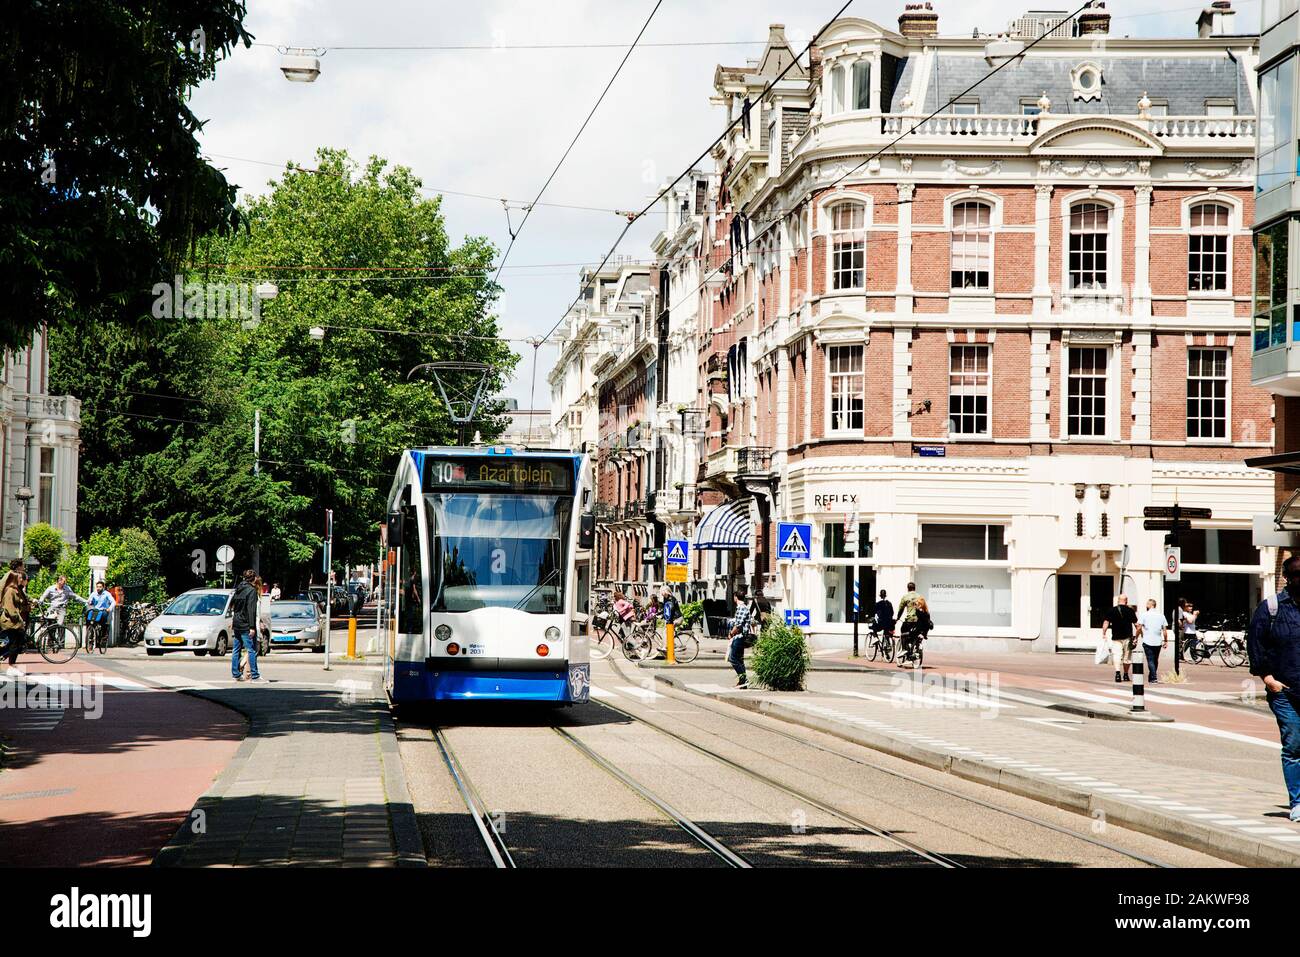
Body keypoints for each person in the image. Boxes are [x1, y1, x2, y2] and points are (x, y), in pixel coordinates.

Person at [1246, 554, 1300, 824]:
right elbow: (1256, 643)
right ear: (1288, 579)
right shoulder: (1271, 608)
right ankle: (1298, 802)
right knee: (1294, 745)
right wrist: (1268, 679)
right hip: (1286, 692)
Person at [231, 569, 261, 682]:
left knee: (236, 649)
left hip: (236, 622)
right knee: (251, 649)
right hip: (245, 624)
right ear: (253, 579)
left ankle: (236, 674)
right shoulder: (251, 590)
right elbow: (251, 610)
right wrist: (252, 627)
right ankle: (255, 675)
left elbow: (232, 605)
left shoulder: (238, 589)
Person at [1101, 594, 1139, 683]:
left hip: (1116, 636)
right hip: (1127, 636)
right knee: (1127, 656)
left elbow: (1106, 622)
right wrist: (1137, 636)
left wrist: (1104, 633)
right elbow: (1137, 625)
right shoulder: (1130, 610)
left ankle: (1117, 673)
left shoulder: (1112, 610)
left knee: (1117, 655)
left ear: (1118, 600)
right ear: (1126, 601)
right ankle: (1125, 674)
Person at [1, 570, 31, 676]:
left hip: (14, 622)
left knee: (15, 643)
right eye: (20, 578)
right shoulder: (10, 591)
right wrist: (19, 620)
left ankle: (12, 665)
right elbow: (10, 608)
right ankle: (11, 666)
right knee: (14, 643)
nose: (23, 580)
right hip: (11, 622)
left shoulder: (16, 590)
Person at [727, 585, 754, 689]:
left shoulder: (742, 608)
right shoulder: (743, 608)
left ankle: (744, 680)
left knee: (733, 658)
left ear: (735, 597)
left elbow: (738, 625)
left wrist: (731, 634)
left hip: (740, 637)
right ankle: (742, 682)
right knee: (739, 659)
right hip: (740, 636)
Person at [1137, 599, 1169, 683]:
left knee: (1150, 659)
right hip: (1158, 640)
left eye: (1147, 603)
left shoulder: (1144, 615)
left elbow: (1139, 627)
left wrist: (1136, 637)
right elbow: (1165, 630)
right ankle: (1152, 676)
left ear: (1150, 605)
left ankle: (1153, 677)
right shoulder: (1161, 616)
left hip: (1147, 640)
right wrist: (1165, 641)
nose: (1146, 605)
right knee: (1155, 659)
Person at [86, 580, 117, 649]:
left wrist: (109, 608)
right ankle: (90, 636)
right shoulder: (93, 594)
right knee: (89, 618)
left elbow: (113, 602)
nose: (98, 588)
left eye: (100, 587)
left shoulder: (107, 594)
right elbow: (88, 601)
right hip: (95, 610)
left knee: (103, 618)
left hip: (103, 610)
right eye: (97, 587)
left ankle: (104, 635)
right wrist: (89, 603)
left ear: (103, 587)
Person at [895, 582, 923, 648]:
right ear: (915, 588)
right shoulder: (920, 597)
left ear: (908, 588)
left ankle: (904, 649)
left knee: (903, 632)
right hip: (918, 621)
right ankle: (917, 645)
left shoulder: (905, 597)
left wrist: (898, 618)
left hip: (909, 620)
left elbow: (901, 609)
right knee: (917, 633)